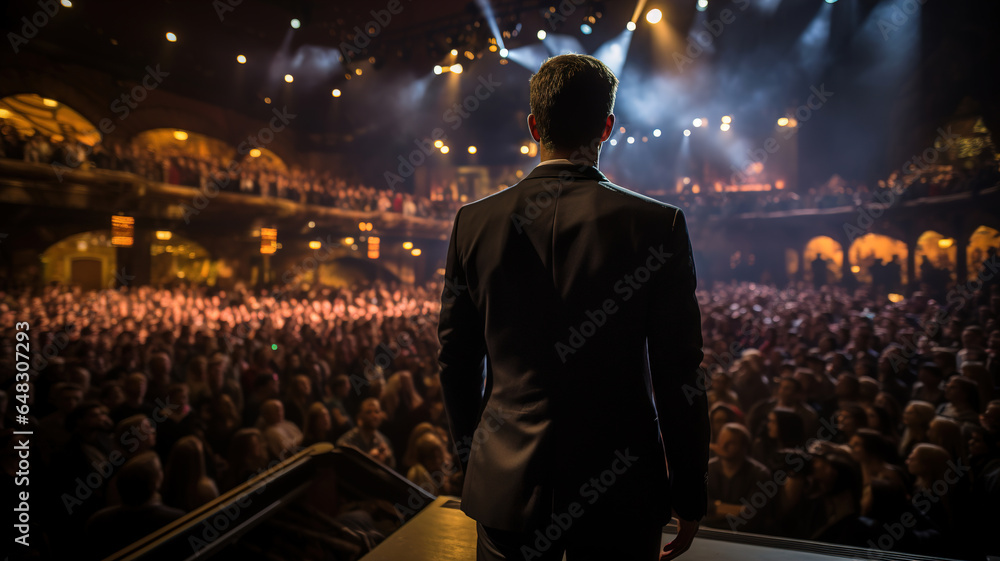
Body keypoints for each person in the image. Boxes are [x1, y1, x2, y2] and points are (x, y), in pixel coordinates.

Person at [437, 53, 707, 561]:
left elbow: (456, 360)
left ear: (534, 126)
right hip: (621, 491)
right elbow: (680, 375)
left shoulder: (473, 223)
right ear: (606, 127)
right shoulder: (658, 224)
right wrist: (690, 491)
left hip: (505, 487)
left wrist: (477, 462)